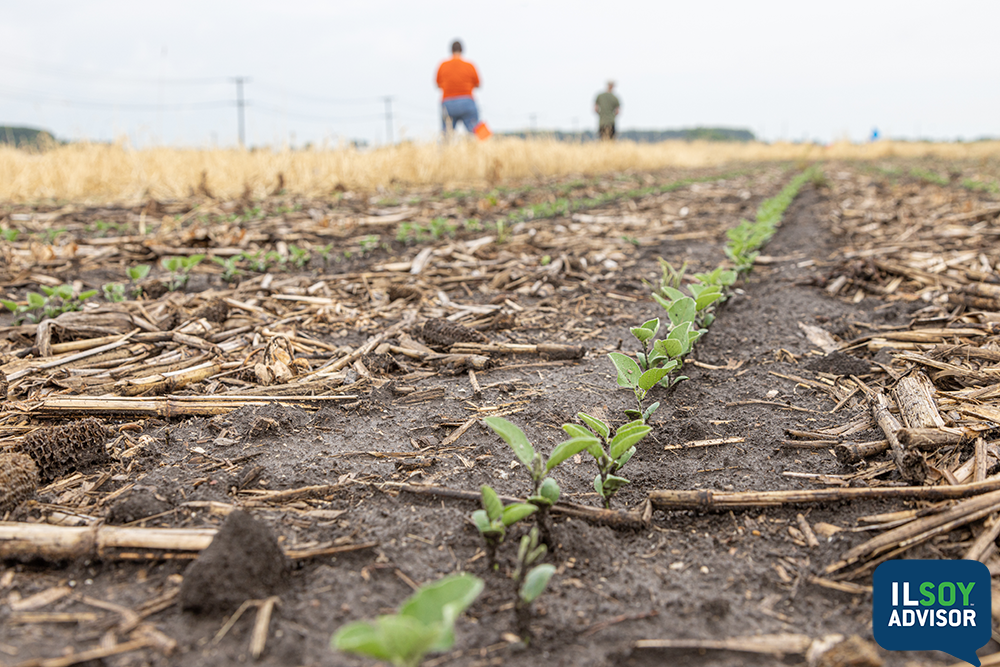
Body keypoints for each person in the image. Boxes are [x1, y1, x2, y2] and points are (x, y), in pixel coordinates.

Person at [436, 40, 481, 135]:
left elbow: (438, 84)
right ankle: (485, 146)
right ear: (462, 50)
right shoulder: (470, 65)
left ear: (451, 50)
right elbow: (478, 84)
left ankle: (443, 149)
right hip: (467, 102)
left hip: (448, 103)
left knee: (446, 135)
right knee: (476, 132)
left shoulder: (443, 65)